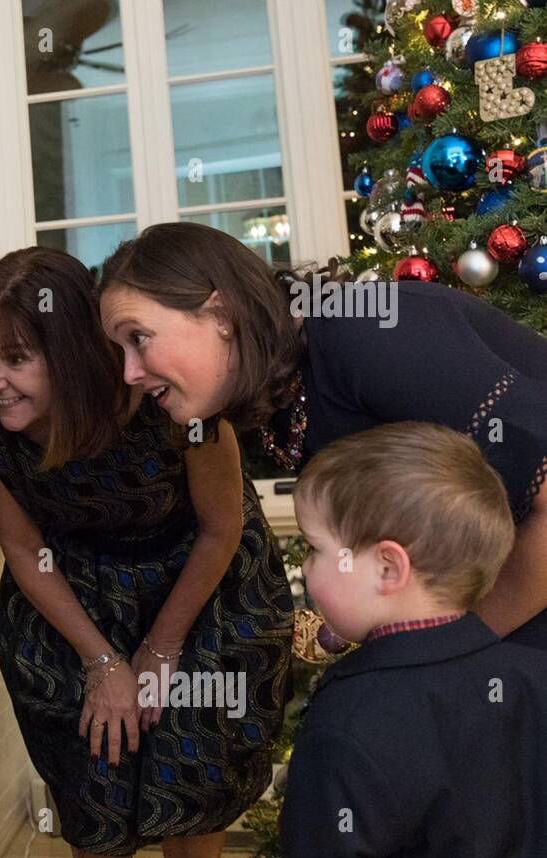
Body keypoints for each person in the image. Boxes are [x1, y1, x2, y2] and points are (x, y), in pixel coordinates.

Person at [0, 247, 292, 858]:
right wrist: (103, 663)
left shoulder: (168, 398)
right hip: (72, 600)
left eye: (17, 358)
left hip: (203, 588)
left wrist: (160, 650)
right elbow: (25, 549)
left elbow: (222, 529)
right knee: (96, 799)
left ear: (73, 354)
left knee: (192, 791)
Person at [98, 222, 547, 651]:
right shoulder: (276, 398)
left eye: (138, 337)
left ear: (221, 314)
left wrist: (452, 654)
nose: (129, 373)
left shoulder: (367, 333)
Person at [280, 423, 547, 858]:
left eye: (315, 549)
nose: (306, 570)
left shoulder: (347, 722)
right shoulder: (532, 678)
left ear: (388, 568)